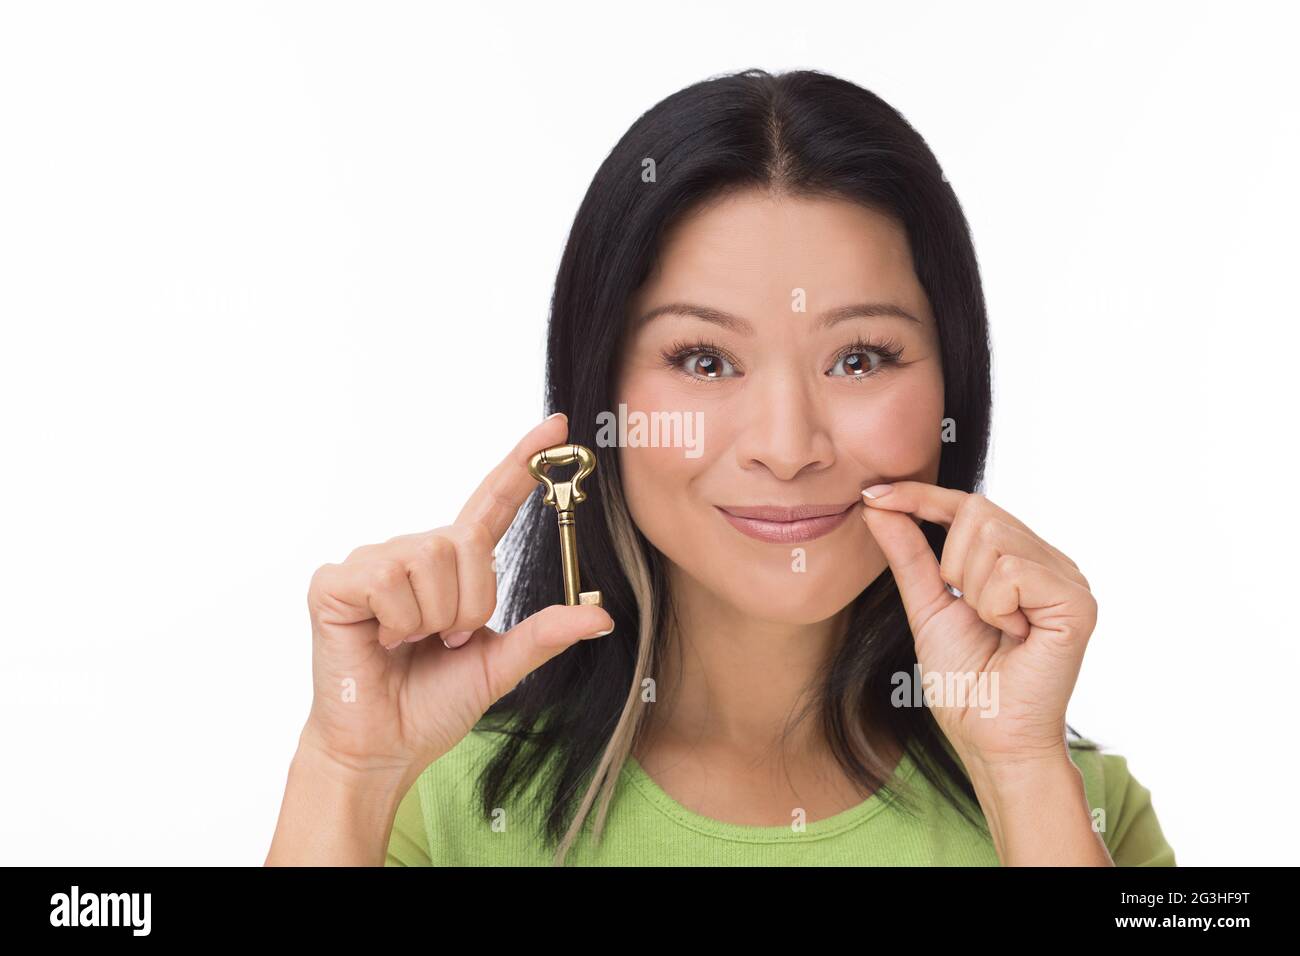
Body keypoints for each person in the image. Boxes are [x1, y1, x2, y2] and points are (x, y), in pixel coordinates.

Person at [266, 68, 1175, 867]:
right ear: (601, 398)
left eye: (859, 358)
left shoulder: (1075, 804)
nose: (787, 446)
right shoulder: (434, 802)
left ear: (954, 383)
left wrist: (1021, 775)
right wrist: (348, 771)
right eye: (705, 361)